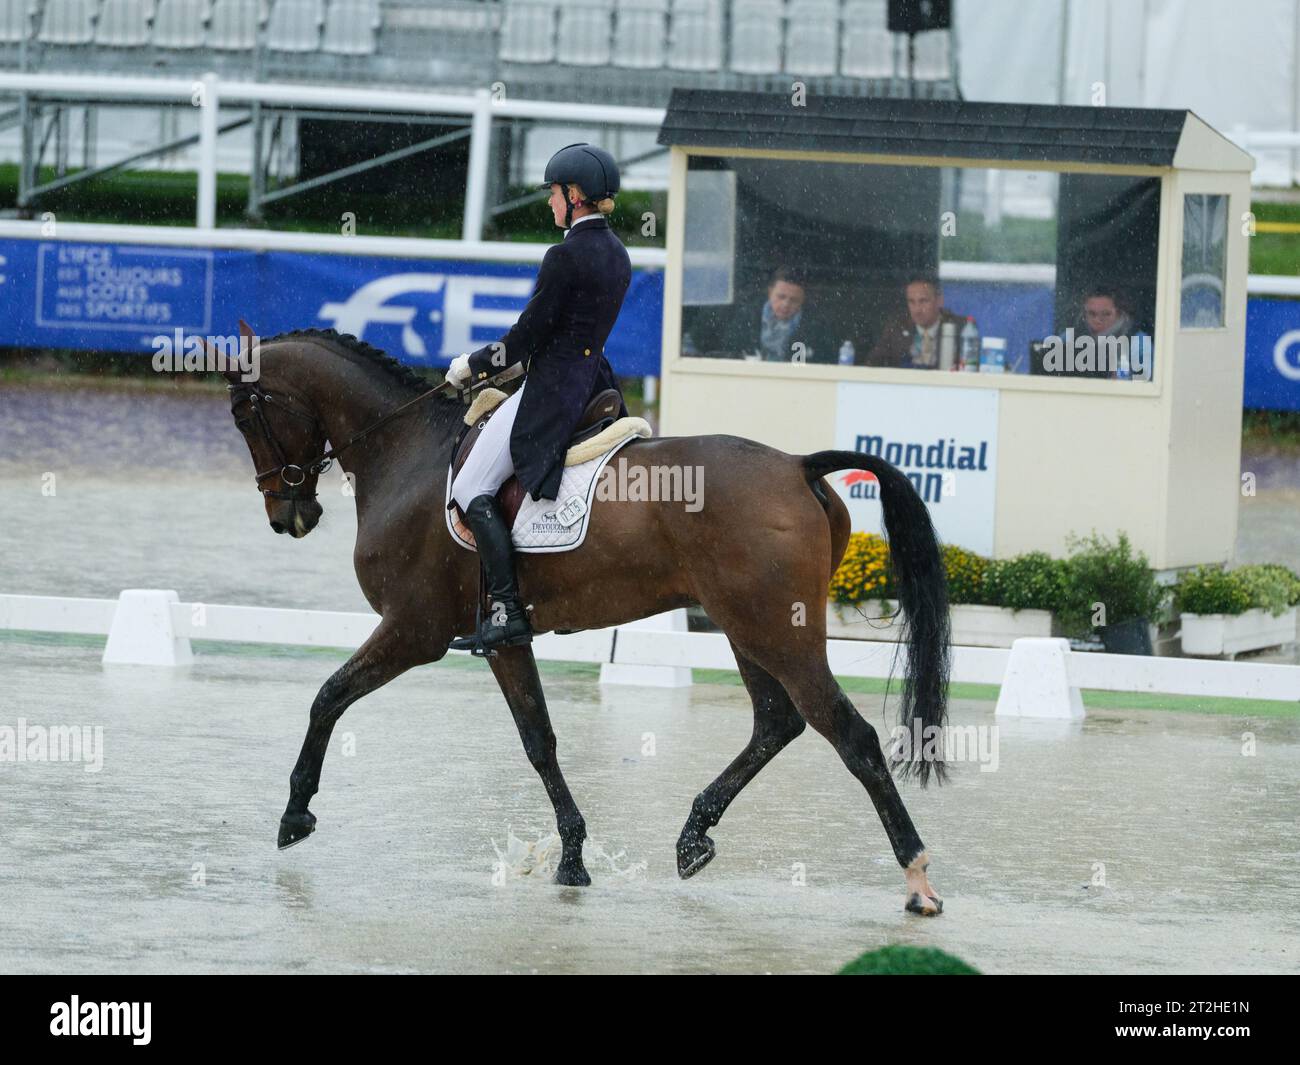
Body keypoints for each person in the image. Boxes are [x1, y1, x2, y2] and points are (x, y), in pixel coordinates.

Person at [443, 142, 630, 653]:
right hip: (596, 381)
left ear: (574, 195)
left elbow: (526, 337)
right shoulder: (617, 252)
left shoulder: (565, 255)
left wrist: (472, 367)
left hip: (553, 391)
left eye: (553, 192)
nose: (549, 202)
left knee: (471, 487)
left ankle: (504, 610)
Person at [713, 266, 835, 364]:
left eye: (794, 300)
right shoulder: (746, 316)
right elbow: (728, 353)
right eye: (781, 297)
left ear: (802, 300)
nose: (786, 304)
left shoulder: (816, 328)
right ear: (770, 292)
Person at [864, 273, 968, 369]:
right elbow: (872, 365)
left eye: (923, 301)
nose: (917, 310)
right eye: (911, 302)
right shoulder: (897, 327)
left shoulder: (961, 328)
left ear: (939, 301)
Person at [1074, 286, 1152, 380]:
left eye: (1106, 314)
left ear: (1120, 313)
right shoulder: (1070, 337)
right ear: (1084, 314)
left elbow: (1146, 385)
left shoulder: (1139, 342)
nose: (1097, 320)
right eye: (1092, 313)